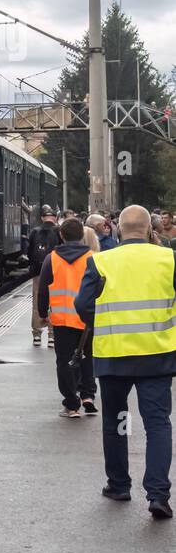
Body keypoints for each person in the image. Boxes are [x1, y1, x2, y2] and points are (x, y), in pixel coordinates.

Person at [75, 204, 176, 519]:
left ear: (118, 230)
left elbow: (82, 304)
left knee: (116, 423)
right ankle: (158, 494)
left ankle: (119, 485)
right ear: (149, 230)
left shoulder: (101, 261)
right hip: (157, 356)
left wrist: (104, 322)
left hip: (114, 355)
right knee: (157, 424)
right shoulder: (168, 259)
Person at [38, 217, 97, 417]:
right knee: (88, 357)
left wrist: (41, 313)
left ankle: (72, 405)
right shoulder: (93, 257)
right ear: (82, 235)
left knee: (64, 361)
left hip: (62, 319)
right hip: (87, 320)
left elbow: (43, 289)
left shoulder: (51, 258)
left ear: (61, 235)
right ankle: (88, 395)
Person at [27, 206, 62, 346]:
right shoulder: (59, 232)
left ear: (42, 218)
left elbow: (29, 252)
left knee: (37, 303)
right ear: (55, 217)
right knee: (54, 303)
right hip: (56, 272)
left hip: (38, 273)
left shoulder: (35, 232)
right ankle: (52, 335)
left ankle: (36, 335)